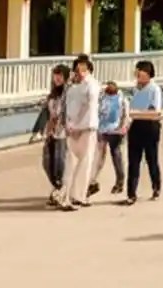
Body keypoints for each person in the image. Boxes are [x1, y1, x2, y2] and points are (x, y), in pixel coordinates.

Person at [58, 54, 100, 211]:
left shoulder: (92, 85)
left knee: (85, 162)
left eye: (84, 69)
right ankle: (67, 196)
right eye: (77, 69)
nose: (80, 72)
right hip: (73, 128)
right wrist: (69, 124)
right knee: (72, 163)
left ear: (89, 69)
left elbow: (88, 106)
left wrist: (75, 124)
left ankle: (78, 196)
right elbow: (67, 107)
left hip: (87, 127)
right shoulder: (72, 88)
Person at [123, 59, 163, 205]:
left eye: (140, 70)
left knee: (151, 158)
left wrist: (137, 113)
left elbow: (155, 110)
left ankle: (156, 186)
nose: (137, 73)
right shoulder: (134, 90)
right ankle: (131, 193)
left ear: (147, 73)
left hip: (150, 126)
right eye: (137, 70)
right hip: (135, 126)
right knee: (133, 161)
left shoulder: (154, 89)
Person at [29, 64, 70, 206]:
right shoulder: (52, 95)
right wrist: (36, 131)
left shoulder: (69, 94)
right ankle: (58, 188)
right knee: (47, 163)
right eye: (55, 75)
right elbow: (45, 112)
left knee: (59, 161)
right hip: (51, 132)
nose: (57, 78)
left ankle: (60, 190)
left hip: (63, 132)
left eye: (60, 75)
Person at [89, 80, 130, 196]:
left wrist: (123, 128)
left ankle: (119, 181)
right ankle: (93, 180)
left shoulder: (120, 99)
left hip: (114, 131)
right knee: (101, 157)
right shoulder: (104, 98)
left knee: (113, 155)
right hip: (103, 129)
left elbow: (125, 115)